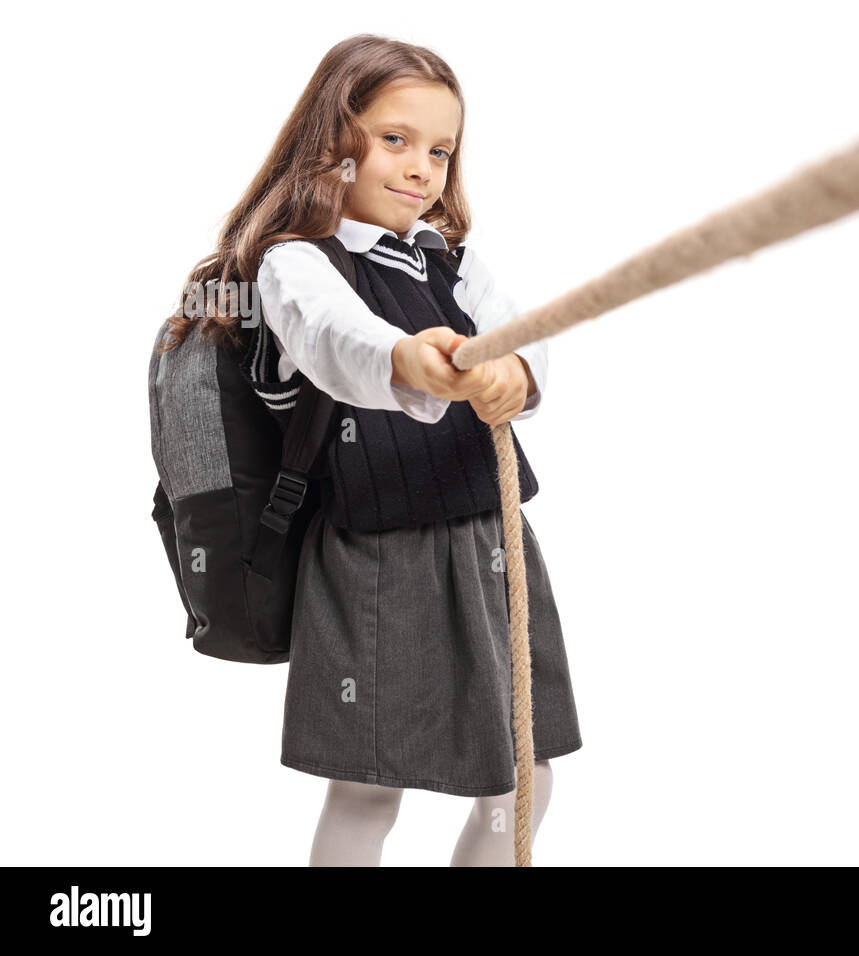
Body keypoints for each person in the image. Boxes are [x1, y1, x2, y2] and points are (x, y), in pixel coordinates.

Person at [163, 34, 582, 866]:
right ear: (331, 144)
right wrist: (404, 357)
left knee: (523, 770)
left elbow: (524, 337)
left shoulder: (448, 261)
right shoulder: (293, 266)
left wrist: (512, 373)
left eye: (440, 150)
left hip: (492, 542)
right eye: (395, 140)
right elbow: (333, 337)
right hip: (376, 555)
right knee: (367, 783)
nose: (422, 168)